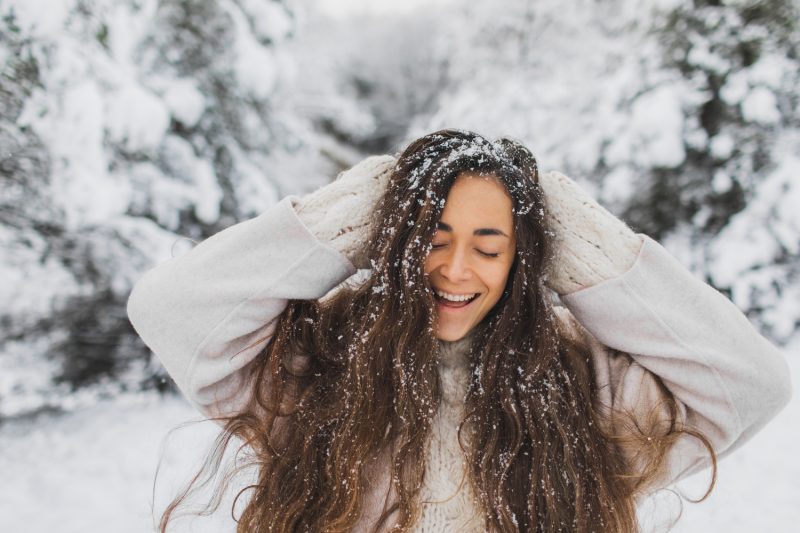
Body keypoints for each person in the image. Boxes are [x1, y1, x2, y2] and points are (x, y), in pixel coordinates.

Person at [127, 129, 791, 532]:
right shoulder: (321, 368)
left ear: (523, 257)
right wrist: (360, 208)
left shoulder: (587, 392)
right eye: (431, 237)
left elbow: (752, 381)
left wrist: (580, 236)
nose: (454, 267)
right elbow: (171, 308)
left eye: (489, 244)